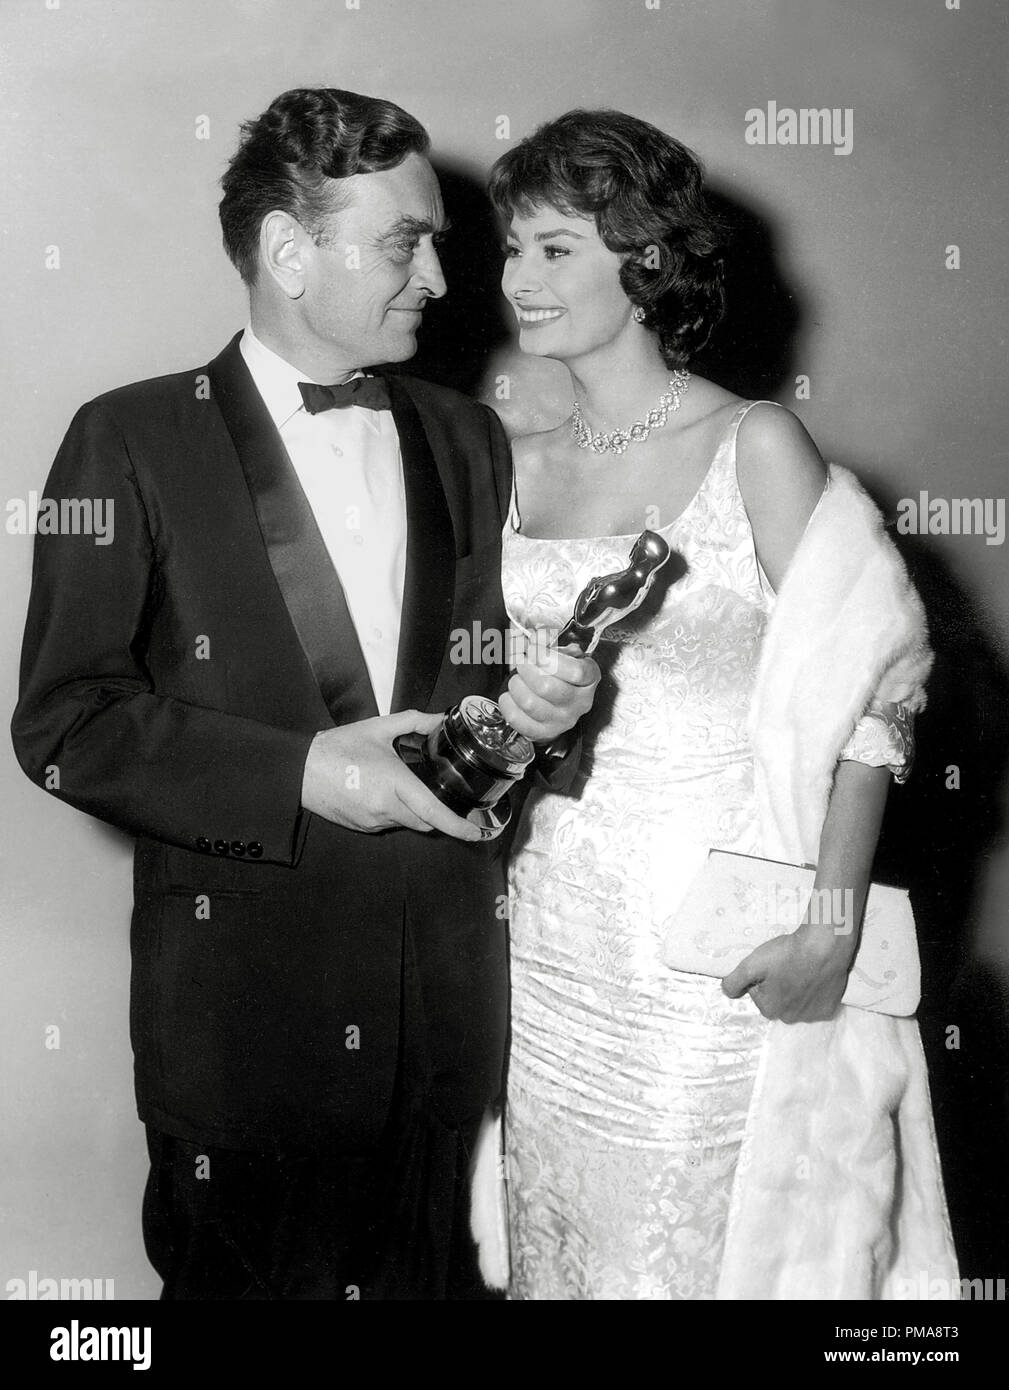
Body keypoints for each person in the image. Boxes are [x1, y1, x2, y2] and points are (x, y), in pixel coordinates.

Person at [11, 86, 598, 1301]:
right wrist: (312, 774)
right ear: (288, 249)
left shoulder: (465, 438)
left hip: (455, 1031)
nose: (440, 277)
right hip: (246, 1040)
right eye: (404, 242)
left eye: (437, 241)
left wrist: (536, 726)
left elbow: (485, 697)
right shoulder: (124, 440)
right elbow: (65, 724)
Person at [485, 109, 958, 1299]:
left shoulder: (756, 443)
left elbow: (878, 702)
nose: (515, 279)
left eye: (553, 249)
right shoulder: (510, 461)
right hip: (548, 941)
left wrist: (832, 926)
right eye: (511, 247)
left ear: (644, 259)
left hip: (713, 944)